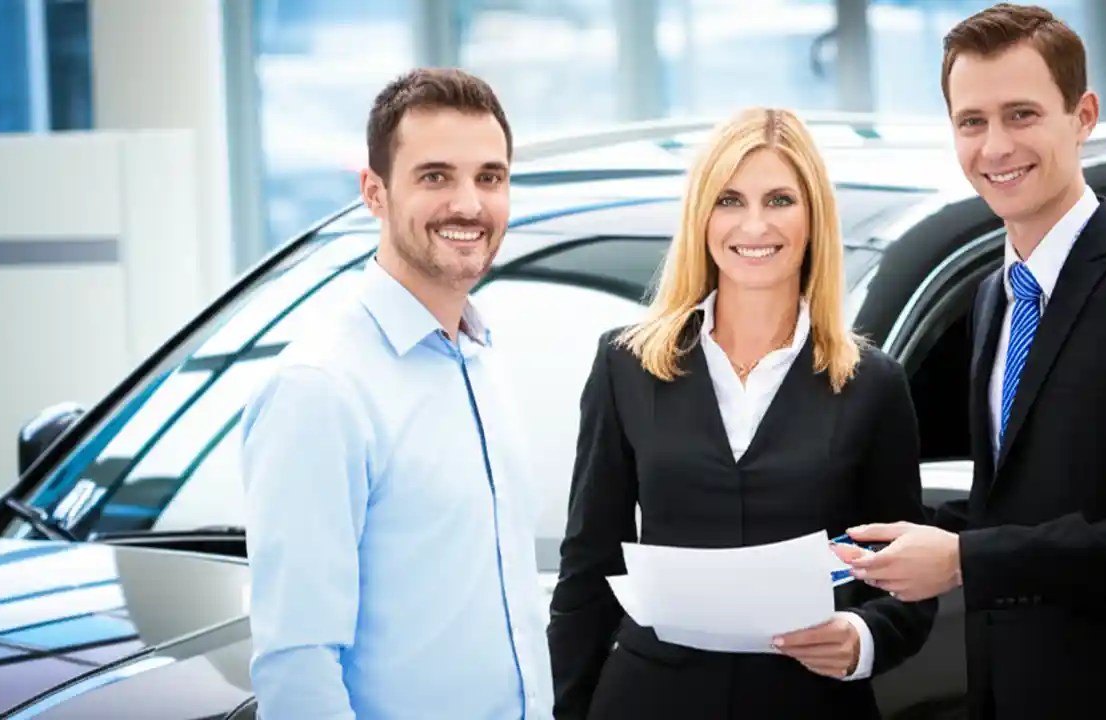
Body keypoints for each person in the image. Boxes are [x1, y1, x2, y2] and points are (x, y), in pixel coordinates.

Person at [837, 5, 1106, 719]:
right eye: (971, 122)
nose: (995, 146)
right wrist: (910, 541)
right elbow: (1029, 504)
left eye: (1021, 114)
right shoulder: (996, 294)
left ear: (1082, 115)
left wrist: (967, 561)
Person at [547, 107, 937, 720]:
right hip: (650, 702)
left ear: (813, 217)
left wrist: (860, 639)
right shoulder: (626, 365)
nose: (754, 224)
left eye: (779, 199)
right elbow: (586, 571)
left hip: (808, 704)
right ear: (702, 215)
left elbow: (904, 583)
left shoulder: (872, 383)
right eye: (730, 199)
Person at [240, 68, 553, 719]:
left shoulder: (478, 358)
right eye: (435, 176)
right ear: (374, 193)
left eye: (489, 177)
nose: (469, 204)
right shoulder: (322, 388)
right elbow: (296, 667)